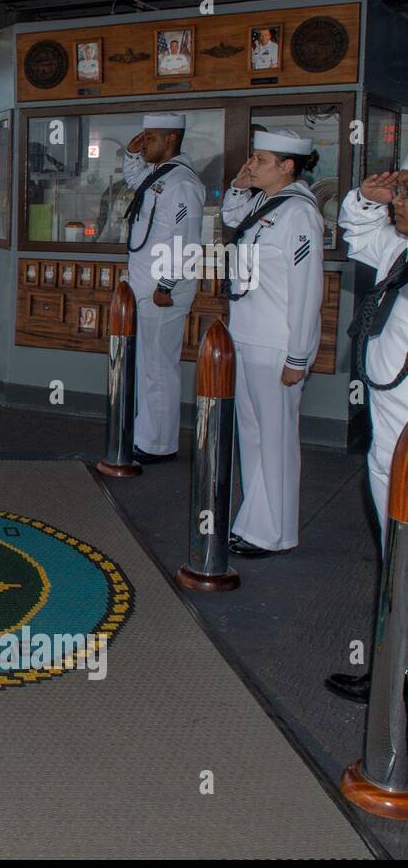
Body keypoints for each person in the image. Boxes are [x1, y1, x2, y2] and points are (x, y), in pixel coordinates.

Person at [221, 128, 325, 557]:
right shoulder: (266, 203)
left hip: (276, 342)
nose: (251, 165)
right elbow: (230, 217)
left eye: (260, 160)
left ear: (287, 167)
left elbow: (307, 291)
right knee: (254, 434)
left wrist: (298, 355)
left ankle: (275, 531)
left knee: (277, 436)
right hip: (247, 334)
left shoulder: (299, 214)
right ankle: (255, 520)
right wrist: (238, 183)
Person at [326, 162, 408, 703]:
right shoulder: (399, 252)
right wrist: (366, 195)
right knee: (395, 554)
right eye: (399, 193)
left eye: (405, 196)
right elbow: (357, 231)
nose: (397, 203)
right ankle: (395, 668)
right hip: (388, 428)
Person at [121, 113, 205, 463]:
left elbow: (184, 239)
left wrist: (166, 285)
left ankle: (158, 443)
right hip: (145, 282)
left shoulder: (182, 184)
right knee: (147, 364)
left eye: (150, 137)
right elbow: (133, 178)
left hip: (161, 288)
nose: (145, 142)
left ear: (171, 139)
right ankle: (147, 433)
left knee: (159, 365)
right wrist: (131, 152)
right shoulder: (160, 176)